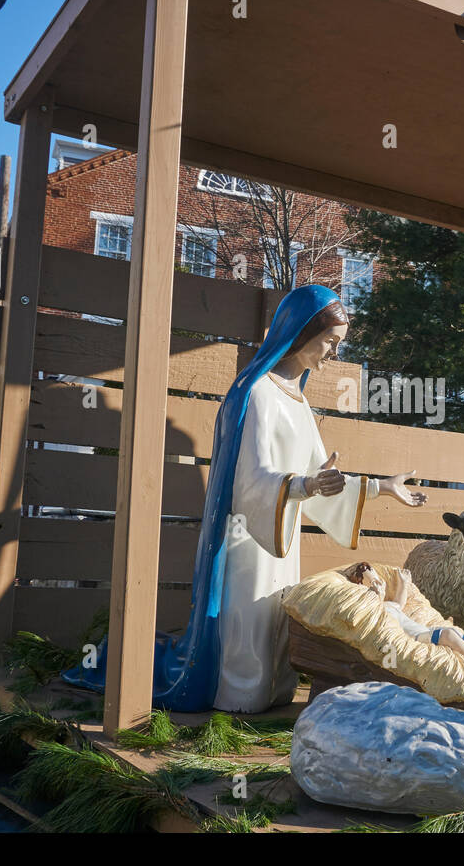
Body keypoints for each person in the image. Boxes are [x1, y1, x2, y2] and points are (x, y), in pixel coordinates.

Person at [63, 286, 427, 712]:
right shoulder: (257, 393)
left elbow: (321, 475)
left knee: (276, 638)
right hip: (249, 538)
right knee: (248, 654)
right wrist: (303, 486)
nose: (332, 354)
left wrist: (381, 486)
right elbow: (250, 479)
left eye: (338, 345)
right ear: (302, 331)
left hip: (279, 535)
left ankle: (267, 690)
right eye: (329, 341)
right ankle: (218, 689)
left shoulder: (299, 400)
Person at [345, 562, 464, 666]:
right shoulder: (376, 609)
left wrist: (403, 583)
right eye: (373, 584)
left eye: (378, 582)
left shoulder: (388, 605)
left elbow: (400, 603)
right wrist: (375, 594)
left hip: (423, 630)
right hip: (415, 637)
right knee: (448, 635)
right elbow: (372, 613)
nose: (379, 585)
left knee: (453, 631)